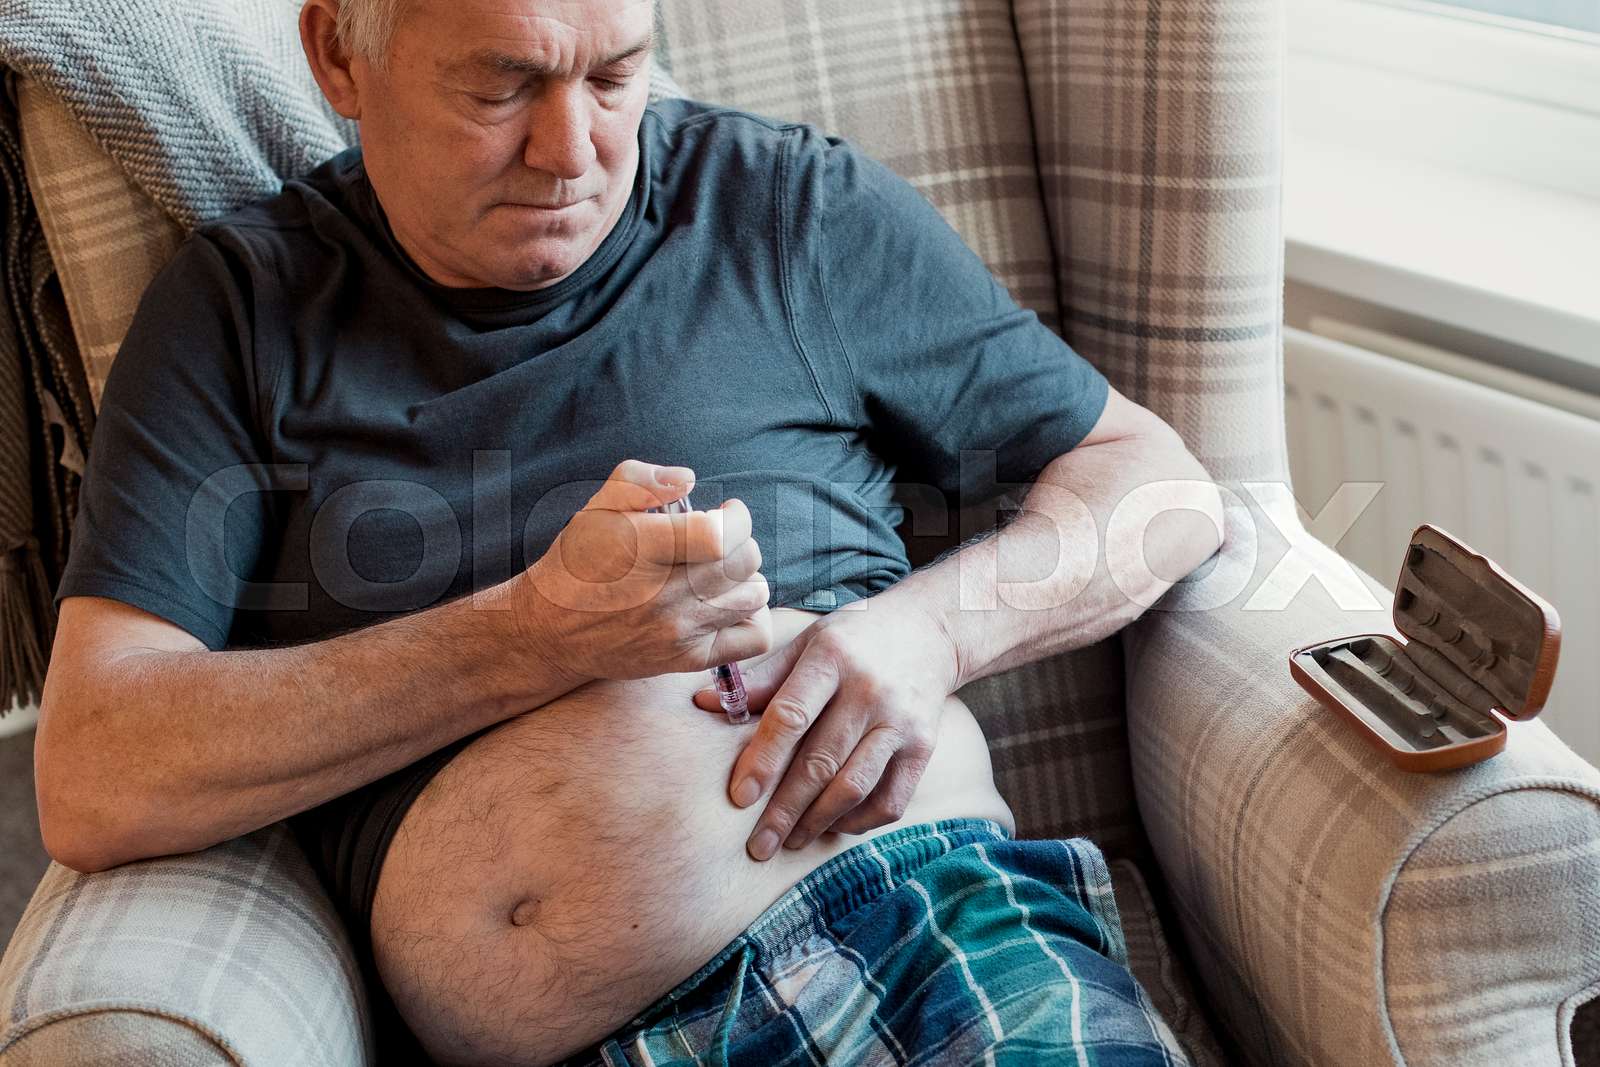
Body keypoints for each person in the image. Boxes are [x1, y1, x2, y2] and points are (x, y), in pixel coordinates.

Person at [33, 0, 1225, 1062]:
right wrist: (531, 636)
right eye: (501, 85)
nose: (574, 151)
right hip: (603, 1033)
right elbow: (94, 772)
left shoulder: (791, 209)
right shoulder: (240, 308)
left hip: (933, 921)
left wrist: (930, 636)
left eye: (615, 76)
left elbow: (1157, 488)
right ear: (339, 54)